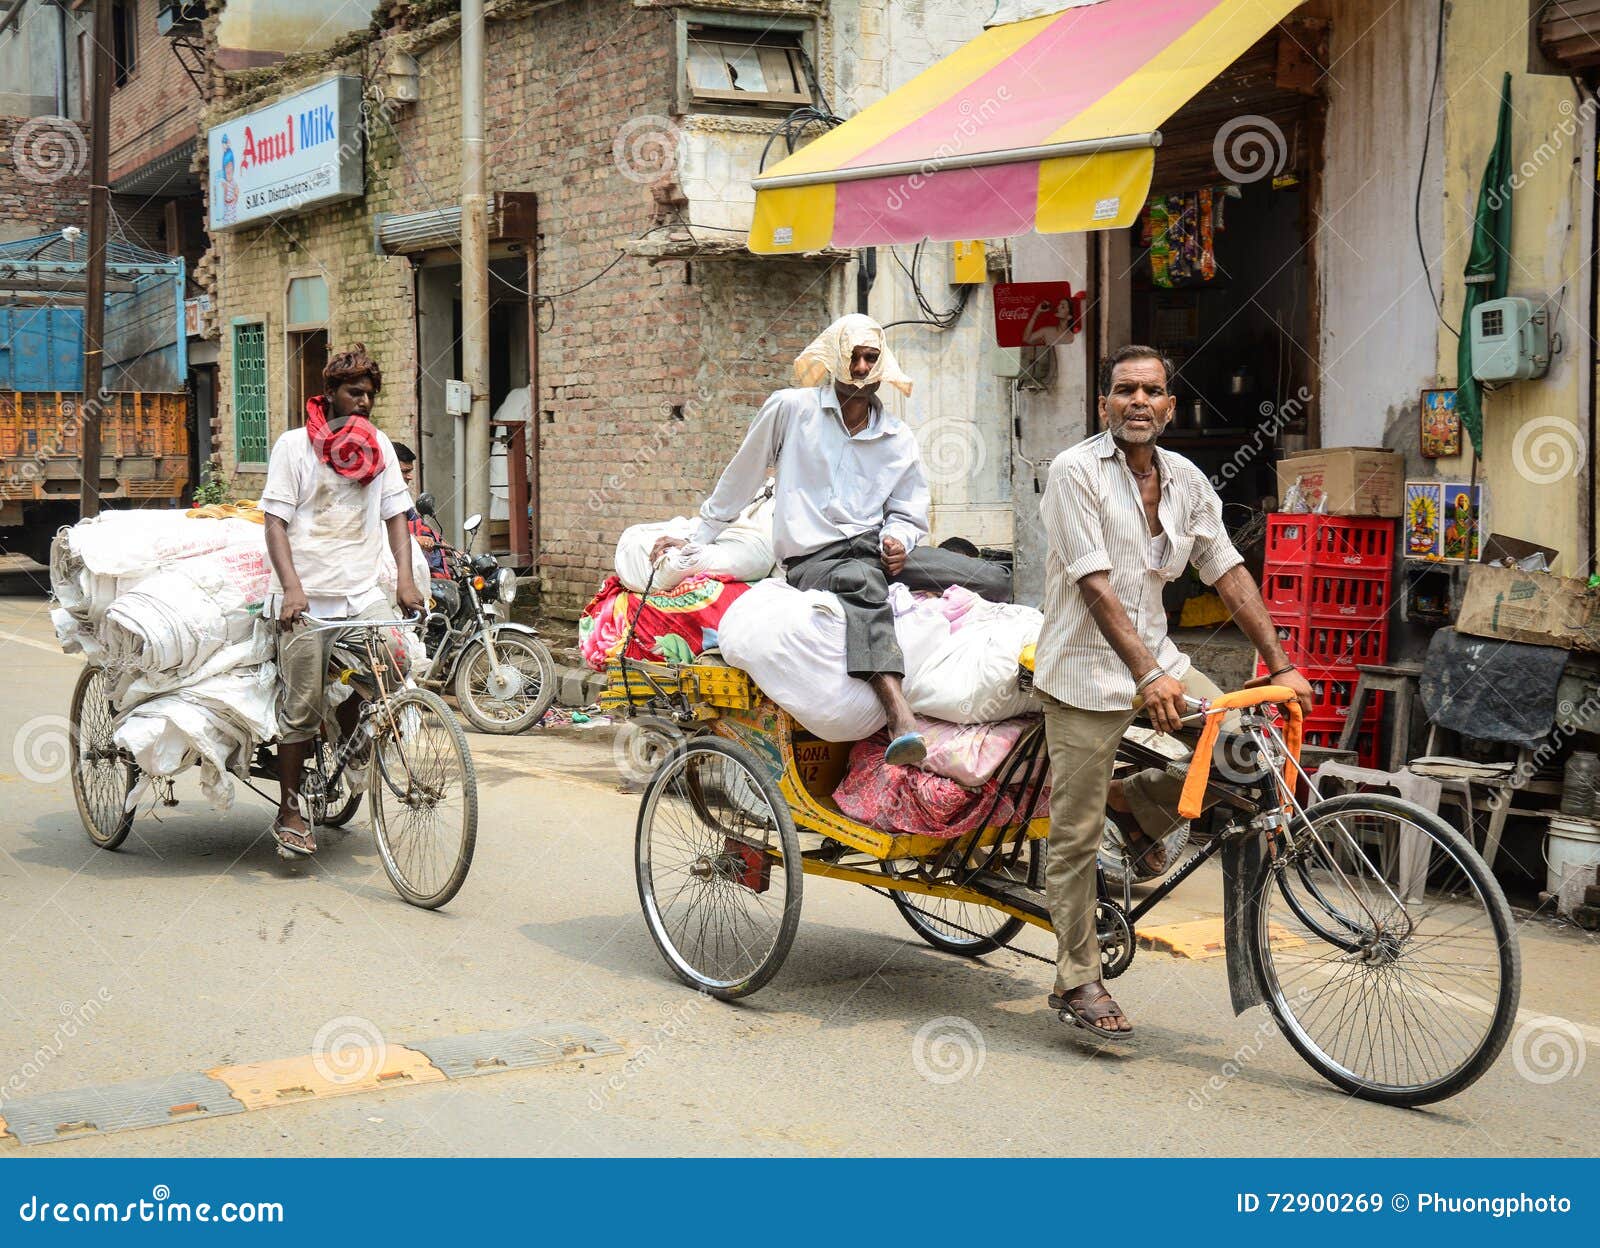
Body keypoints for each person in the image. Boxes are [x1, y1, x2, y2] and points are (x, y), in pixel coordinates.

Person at [1034, 344, 1313, 1040]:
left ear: (1169, 406)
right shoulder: (1074, 473)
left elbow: (1228, 570)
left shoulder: (1186, 480)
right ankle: (1076, 978)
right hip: (1083, 676)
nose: (1137, 402)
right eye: (1123, 390)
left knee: (1247, 755)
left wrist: (1279, 664)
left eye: (1151, 392)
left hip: (1156, 660)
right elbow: (1094, 585)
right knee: (1071, 835)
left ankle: (1135, 812)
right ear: (1104, 406)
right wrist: (1146, 677)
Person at [653, 314, 1009, 765]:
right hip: (815, 560)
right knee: (864, 585)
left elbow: (906, 511)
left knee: (993, 578)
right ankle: (900, 714)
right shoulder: (790, 409)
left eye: (870, 358)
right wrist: (695, 539)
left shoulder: (897, 437)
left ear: (882, 366)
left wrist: (898, 539)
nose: (861, 368)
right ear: (834, 361)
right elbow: (740, 479)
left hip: (876, 551)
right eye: (853, 358)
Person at [260, 345, 425, 857]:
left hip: (359, 594)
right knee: (301, 708)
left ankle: (350, 737)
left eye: (371, 394)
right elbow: (274, 522)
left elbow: (397, 515)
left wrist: (404, 581)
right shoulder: (294, 447)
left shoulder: (376, 447)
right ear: (330, 393)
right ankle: (289, 809)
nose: (365, 402)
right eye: (355, 392)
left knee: (397, 663)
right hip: (305, 601)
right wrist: (291, 588)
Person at [391, 442, 446, 577]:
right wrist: (416, 540)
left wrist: (452, 550)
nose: (410, 476)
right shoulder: (376, 501)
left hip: (414, 566)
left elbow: (419, 524)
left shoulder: (402, 498)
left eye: (410, 471)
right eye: (405, 471)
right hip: (391, 573)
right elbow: (380, 536)